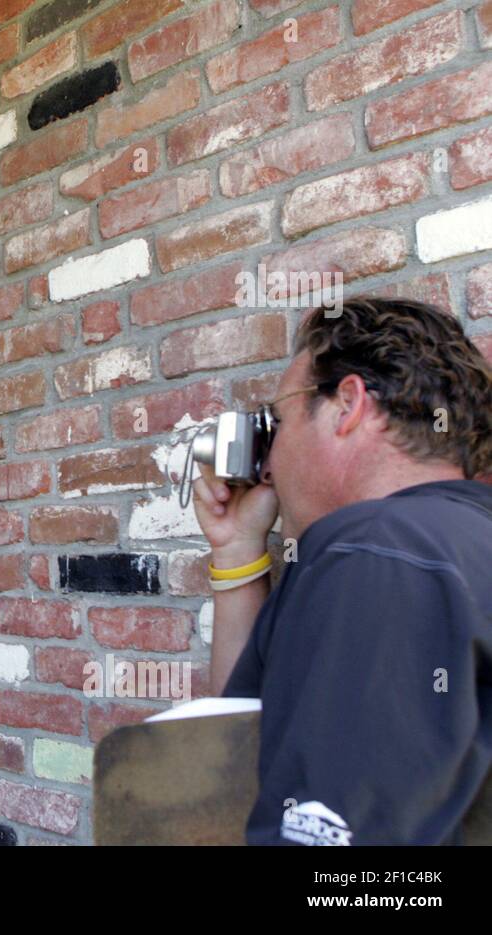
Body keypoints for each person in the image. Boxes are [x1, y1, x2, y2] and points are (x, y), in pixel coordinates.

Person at [193, 297, 492, 845]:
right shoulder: (451, 540)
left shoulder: (375, 551)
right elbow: (248, 730)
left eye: (279, 423)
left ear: (347, 404)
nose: (269, 463)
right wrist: (237, 551)